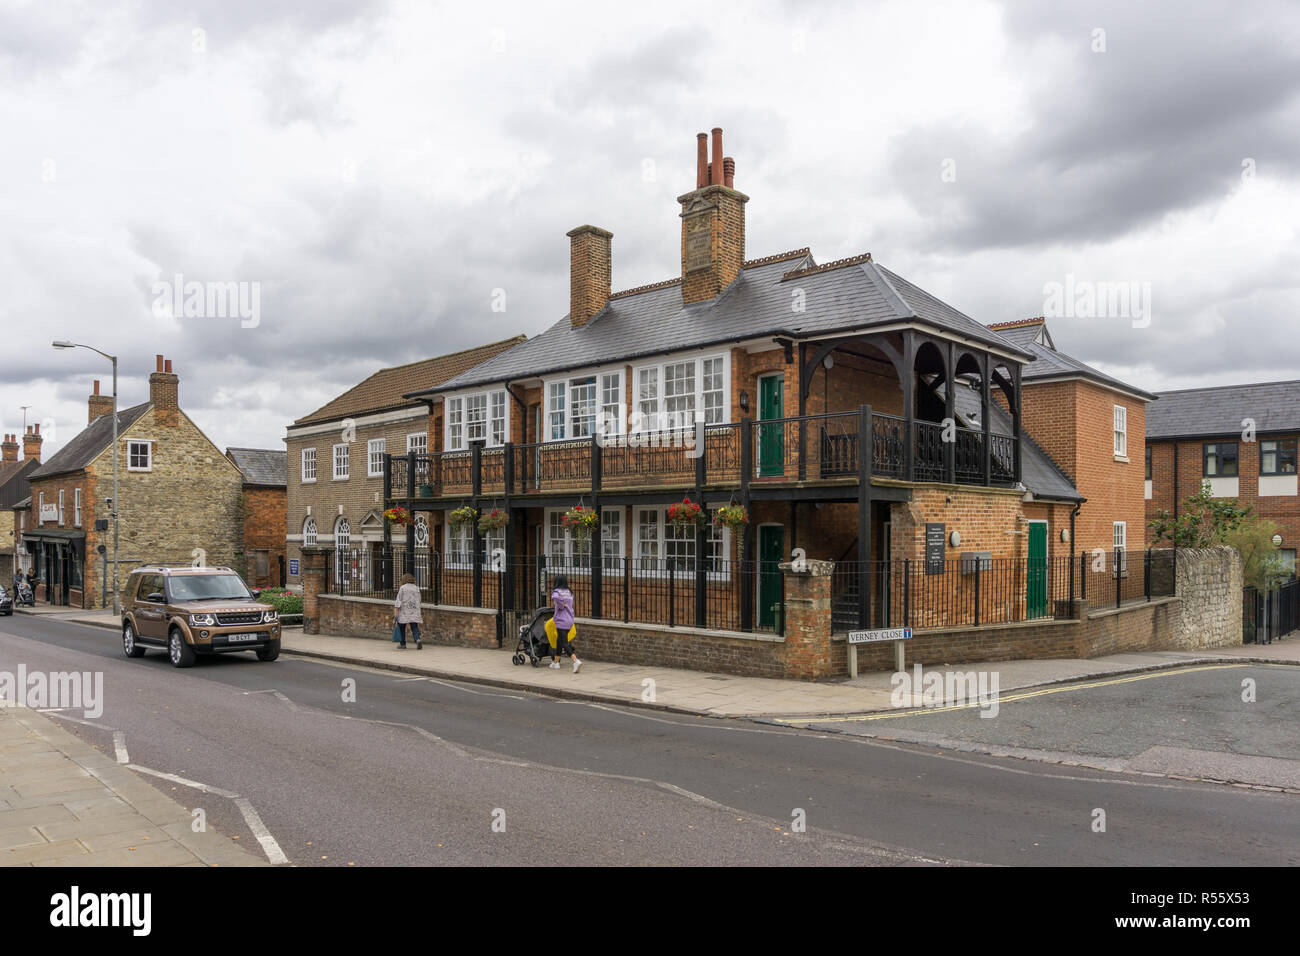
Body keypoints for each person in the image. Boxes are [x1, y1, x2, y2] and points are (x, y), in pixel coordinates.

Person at [545, 574, 582, 673]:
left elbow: (555, 597)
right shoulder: (570, 592)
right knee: (559, 641)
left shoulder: (557, 591)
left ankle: (575, 661)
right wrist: (564, 603)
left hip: (561, 620)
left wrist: (561, 604)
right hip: (570, 619)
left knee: (564, 643)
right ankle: (556, 663)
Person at [392, 573, 423, 650]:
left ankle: (403, 644)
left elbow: (399, 600)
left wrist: (396, 611)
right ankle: (417, 639)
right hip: (414, 610)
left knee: (402, 627)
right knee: (414, 626)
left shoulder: (402, 588)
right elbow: (419, 599)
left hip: (404, 610)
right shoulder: (416, 588)